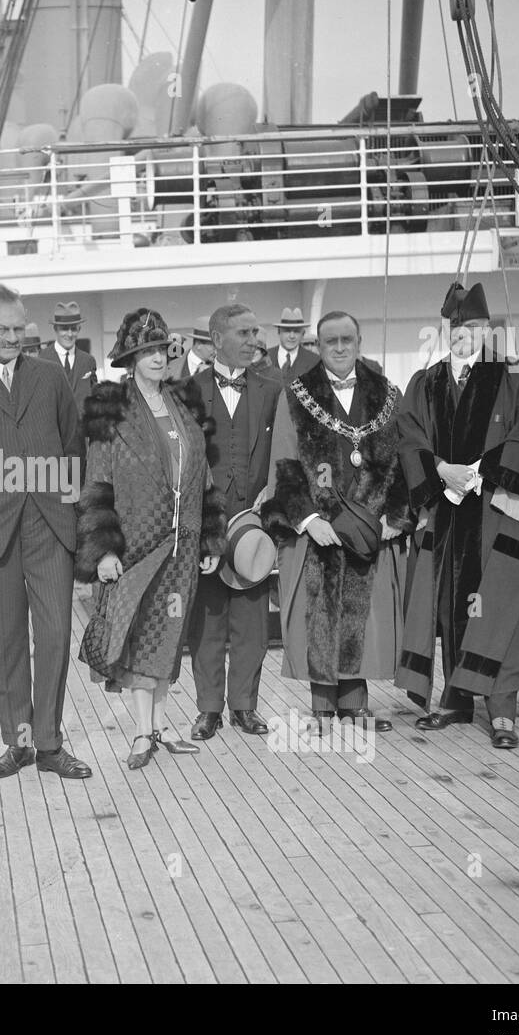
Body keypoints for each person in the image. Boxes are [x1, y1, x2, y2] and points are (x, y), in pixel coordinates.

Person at [395, 281, 519, 749]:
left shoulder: (514, 376)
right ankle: (455, 699)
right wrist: (440, 469)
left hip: (494, 508)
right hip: (447, 511)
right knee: (449, 603)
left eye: (476, 326)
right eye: (459, 326)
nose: (467, 333)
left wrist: (483, 469)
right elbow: (409, 435)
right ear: (448, 330)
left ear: (489, 330)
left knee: (499, 607)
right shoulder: (425, 382)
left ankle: (502, 710)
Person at [0, 283, 92, 780]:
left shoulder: (50, 379)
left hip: (50, 527)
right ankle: (19, 742)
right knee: (7, 642)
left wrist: (68, 505)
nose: (11, 337)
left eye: (18, 329)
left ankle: (49, 744)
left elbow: (73, 445)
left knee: (53, 636)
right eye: (2, 329)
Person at [75, 309, 226, 768]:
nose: (158, 358)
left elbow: (203, 478)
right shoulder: (112, 410)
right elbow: (97, 483)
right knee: (141, 636)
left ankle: (159, 728)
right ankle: (142, 733)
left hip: (183, 543)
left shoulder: (184, 404)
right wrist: (102, 551)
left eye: (161, 349)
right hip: (137, 546)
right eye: (147, 352)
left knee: (168, 636)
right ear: (131, 359)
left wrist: (209, 540)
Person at [260, 312, 408, 733]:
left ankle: (356, 705)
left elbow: (401, 459)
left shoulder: (385, 393)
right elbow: (285, 464)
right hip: (321, 524)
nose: (339, 348)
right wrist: (307, 518)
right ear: (317, 346)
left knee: (361, 613)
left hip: (367, 527)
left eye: (347, 340)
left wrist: (394, 514)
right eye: (330, 342)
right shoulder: (297, 395)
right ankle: (323, 708)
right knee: (320, 613)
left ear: (359, 341)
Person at [186, 304, 285, 740]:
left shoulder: (274, 390)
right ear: (217, 338)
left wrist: (276, 494)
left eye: (255, 332)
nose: (253, 341)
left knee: (252, 622)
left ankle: (245, 706)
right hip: (206, 527)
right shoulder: (184, 392)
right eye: (243, 333)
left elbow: (287, 453)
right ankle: (208, 709)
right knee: (206, 622)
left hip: (253, 527)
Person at [39, 301, 98, 413]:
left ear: (79, 329)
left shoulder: (88, 361)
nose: (70, 334)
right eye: (64, 328)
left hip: (81, 428)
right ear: (55, 329)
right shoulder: (42, 359)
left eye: (74, 329)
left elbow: (94, 398)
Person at [267, 308, 320, 381]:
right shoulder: (264, 357)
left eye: (296, 331)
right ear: (279, 332)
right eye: (287, 331)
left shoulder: (315, 361)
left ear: (303, 334)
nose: (292, 336)